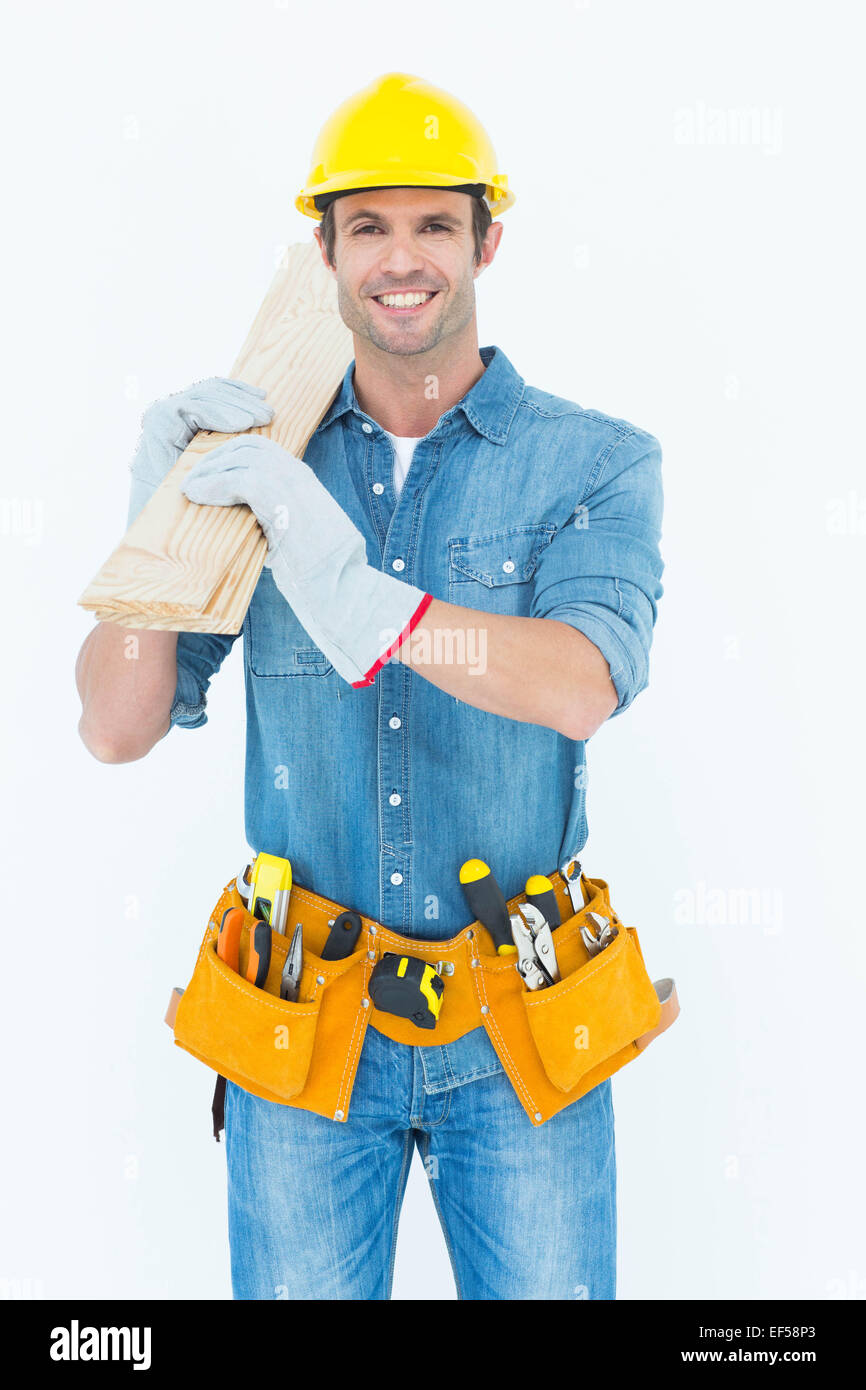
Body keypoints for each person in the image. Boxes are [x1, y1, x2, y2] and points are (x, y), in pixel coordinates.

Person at [76, 72, 664, 1300]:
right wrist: (152, 532)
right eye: (368, 226)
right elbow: (117, 728)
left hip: (520, 1028)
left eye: (433, 224)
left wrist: (374, 606)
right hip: (303, 1031)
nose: (402, 259)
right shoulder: (258, 465)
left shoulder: (593, 462)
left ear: (486, 239)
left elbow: (577, 686)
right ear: (325, 250)